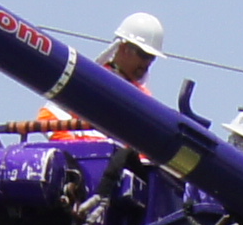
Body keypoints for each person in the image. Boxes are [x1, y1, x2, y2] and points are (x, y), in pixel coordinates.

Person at [20, 11, 166, 134]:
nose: (147, 62)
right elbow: (48, 114)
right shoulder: (90, 83)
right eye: (143, 54)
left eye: (152, 57)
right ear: (124, 48)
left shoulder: (145, 99)